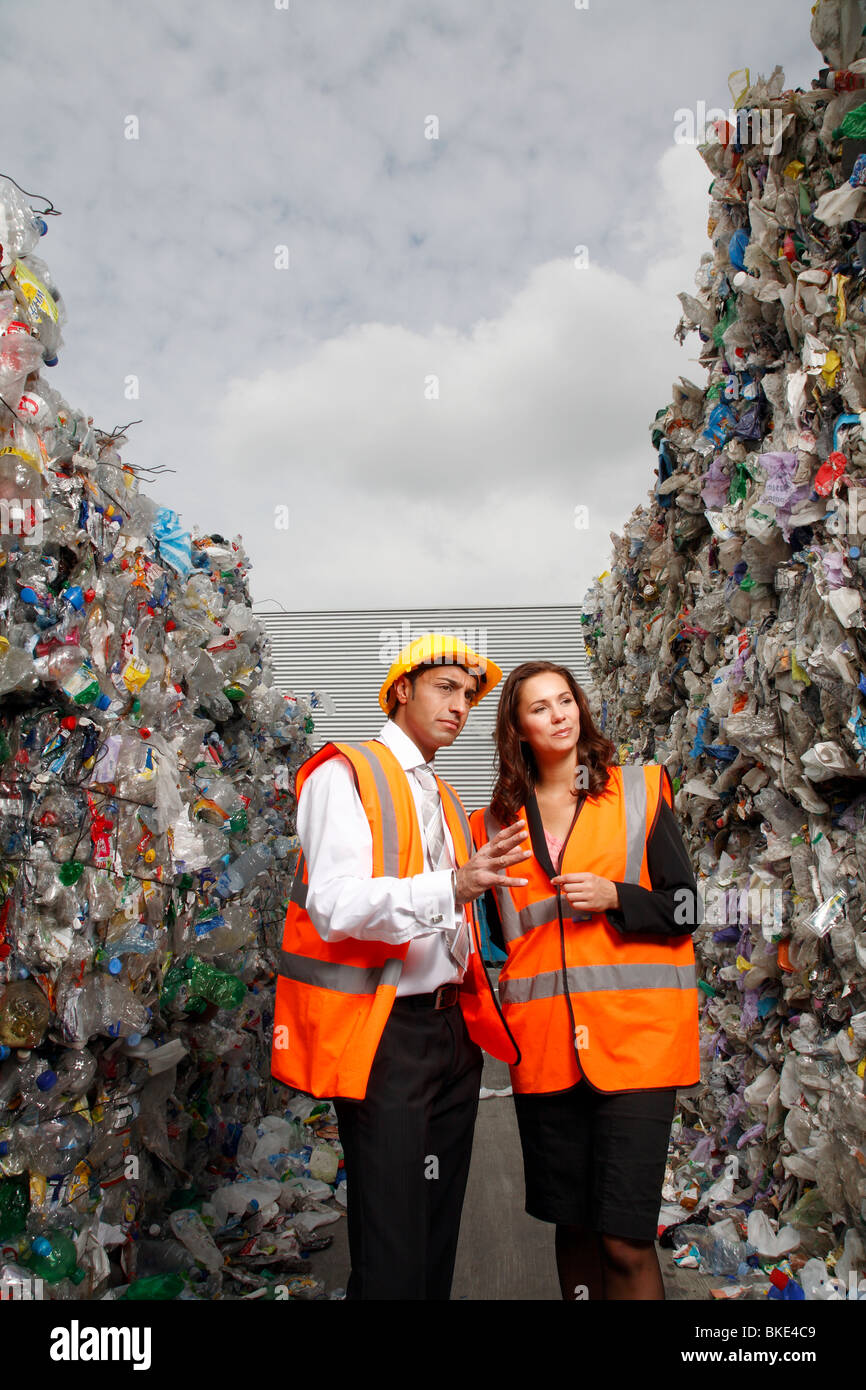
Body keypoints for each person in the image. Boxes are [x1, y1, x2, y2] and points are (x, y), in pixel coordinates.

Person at [271, 634, 529, 1300]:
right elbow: (334, 906)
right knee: (391, 1245)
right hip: (385, 1035)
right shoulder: (345, 773)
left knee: (436, 1237)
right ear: (403, 689)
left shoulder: (441, 792)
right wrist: (455, 886)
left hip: (451, 1036)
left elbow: (455, 913)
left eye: (469, 696)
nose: (461, 706)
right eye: (446, 688)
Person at [470, 661, 700, 1302]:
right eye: (540, 708)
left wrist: (617, 896)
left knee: (624, 1240)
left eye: (566, 700)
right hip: (544, 1053)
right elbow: (492, 942)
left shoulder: (638, 791)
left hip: (637, 1049)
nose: (559, 715)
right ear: (516, 727)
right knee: (571, 1229)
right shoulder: (492, 826)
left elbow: (687, 909)